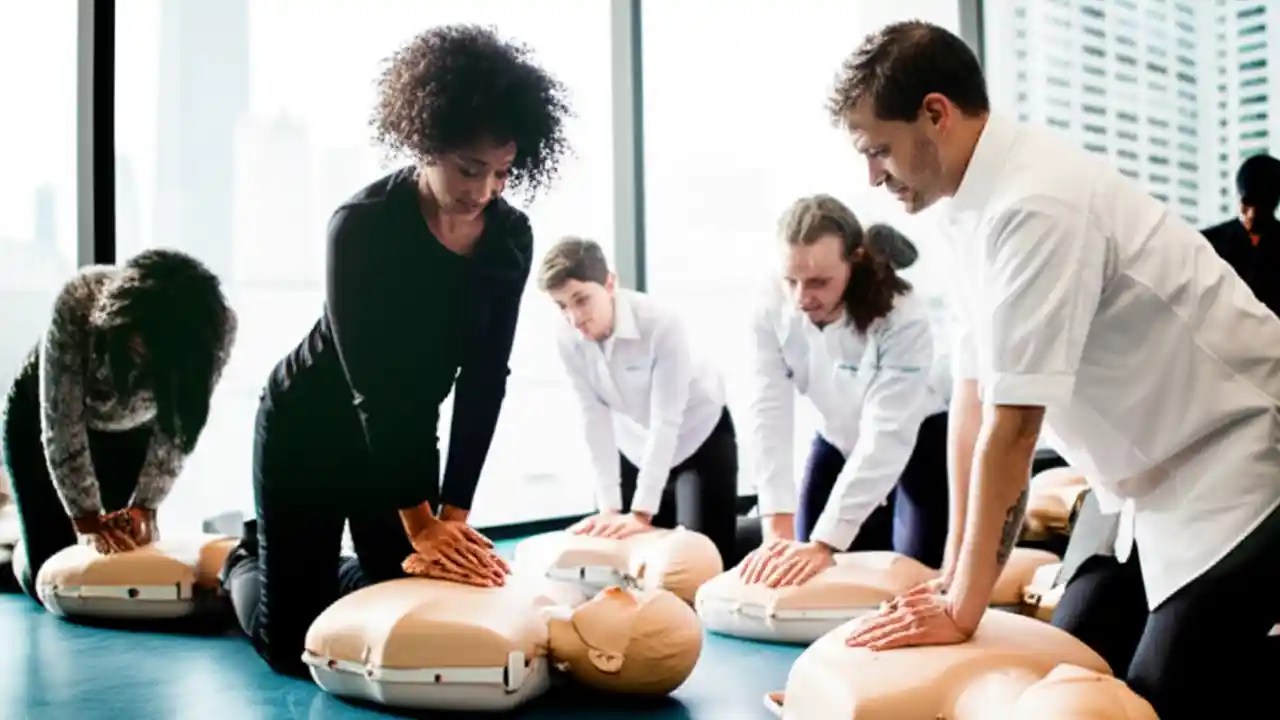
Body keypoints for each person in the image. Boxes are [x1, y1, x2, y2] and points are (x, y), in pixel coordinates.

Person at [832, 21, 1280, 720]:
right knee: (1062, 676)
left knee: (1160, 693)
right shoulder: (962, 214)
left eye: (878, 150)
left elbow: (1013, 431)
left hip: (1239, 460)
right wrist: (954, 575)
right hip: (1132, 486)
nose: (872, 175)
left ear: (935, 114)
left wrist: (964, 606)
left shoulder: (1035, 202)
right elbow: (973, 404)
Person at [220, 24, 571, 677]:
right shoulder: (362, 228)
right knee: (291, 648)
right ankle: (245, 557)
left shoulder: (509, 238)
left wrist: (453, 519)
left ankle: (317, 567)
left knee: (410, 602)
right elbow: (373, 389)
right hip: (310, 431)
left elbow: (485, 379)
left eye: (502, 172)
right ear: (427, 142)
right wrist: (419, 522)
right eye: (470, 169)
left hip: (403, 440)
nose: (485, 191)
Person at [737, 194, 950, 589]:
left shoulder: (901, 314)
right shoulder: (770, 304)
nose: (802, 298)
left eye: (819, 282)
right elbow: (768, 413)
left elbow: (887, 435)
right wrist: (776, 527)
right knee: (800, 570)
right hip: (835, 437)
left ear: (854, 262)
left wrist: (825, 542)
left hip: (919, 440)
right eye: (792, 281)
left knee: (913, 582)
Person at [1, 249, 237, 601]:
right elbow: (61, 425)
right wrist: (85, 517)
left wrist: (147, 503)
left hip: (131, 432)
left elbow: (180, 424)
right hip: (39, 420)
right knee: (47, 573)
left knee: (108, 566)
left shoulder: (213, 328)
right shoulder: (79, 300)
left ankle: (19, 527)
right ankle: (15, 534)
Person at [538, 237, 739, 561]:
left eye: (581, 300)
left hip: (699, 435)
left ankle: (744, 531)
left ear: (610, 283)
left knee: (707, 558)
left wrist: (642, 513)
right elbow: (593, 417)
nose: (574, 318)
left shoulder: (661, 322)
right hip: (635, 441)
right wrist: (609, 508)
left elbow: (666, 419)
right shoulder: (568, 337)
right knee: (621, 548)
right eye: (562, 306)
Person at [1202, 153, 1280, 317]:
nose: (1251, 214)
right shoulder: (1207, 243)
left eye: (1261, 205)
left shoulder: (1209, 242)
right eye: (1248, 204)